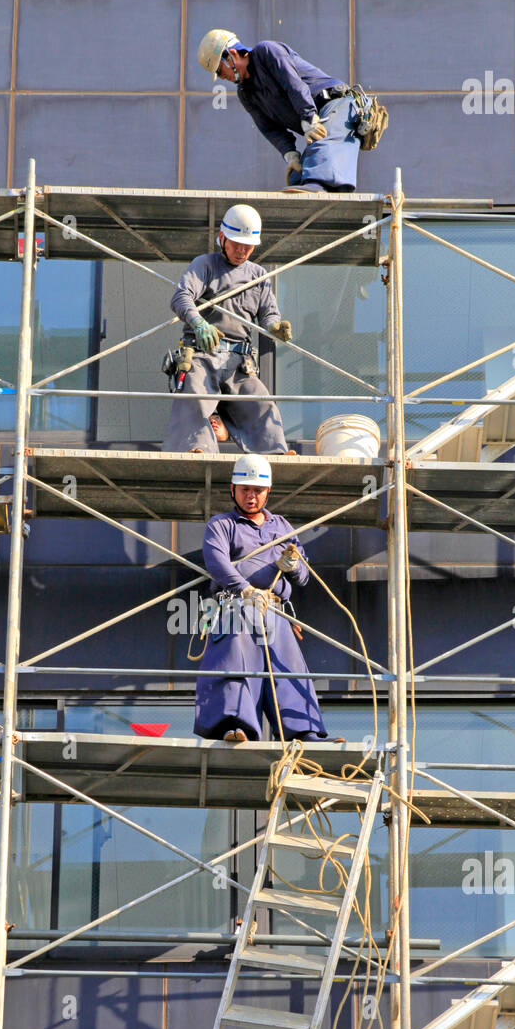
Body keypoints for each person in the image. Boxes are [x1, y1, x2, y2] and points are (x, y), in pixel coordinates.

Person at [194, 453, 328, 744]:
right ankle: (233, 725)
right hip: (236, 605)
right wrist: (245, 589)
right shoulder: (221, 525)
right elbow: (216, 561)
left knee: (288, 667)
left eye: (257, 490)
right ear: (233, 490)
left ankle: (304, 732)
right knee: (235, 661)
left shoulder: (282, 527)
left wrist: (294, 565)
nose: (251, 496)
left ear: (268, 492)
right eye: (245, 490)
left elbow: (304, 578)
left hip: (276, 609)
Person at [162, 203, 295, 456]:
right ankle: (197, 448)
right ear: (222, 238)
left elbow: (267, 313)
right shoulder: (205, 265)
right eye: (236, 244)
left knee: (261, 403)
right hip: (202, 354)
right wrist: (198, 322)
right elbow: (181, 297)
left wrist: (273, 327)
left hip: (239, 362)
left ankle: (275, 453)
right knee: (194, 397)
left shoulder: (258, 275)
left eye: (248, 246)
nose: (242, 251)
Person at [197, 30, 388, 193]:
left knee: (322, 153)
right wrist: (290, 153)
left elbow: (293, 85)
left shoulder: (266, 52)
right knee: (300, 177)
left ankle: (319, 188)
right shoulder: (246, 94)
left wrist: (308, 116)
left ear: (231, 54)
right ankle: (321, 193)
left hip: (338, 104)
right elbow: (269, 128)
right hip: (318, 120)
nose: (223, 78)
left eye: (221, 71)